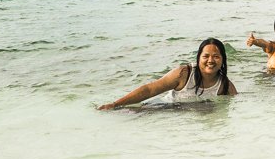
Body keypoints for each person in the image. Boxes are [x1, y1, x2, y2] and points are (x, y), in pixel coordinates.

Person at [98, 38, 236, 109]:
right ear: (198, 58)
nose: (210, 61)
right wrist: (115, 104)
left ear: (223, 59)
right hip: (162, 109)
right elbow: (149, 89)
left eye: (216, 56)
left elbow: (239, 104)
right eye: (206, 56)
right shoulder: (184, 74)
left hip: (186, 121)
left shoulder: (225, 86)